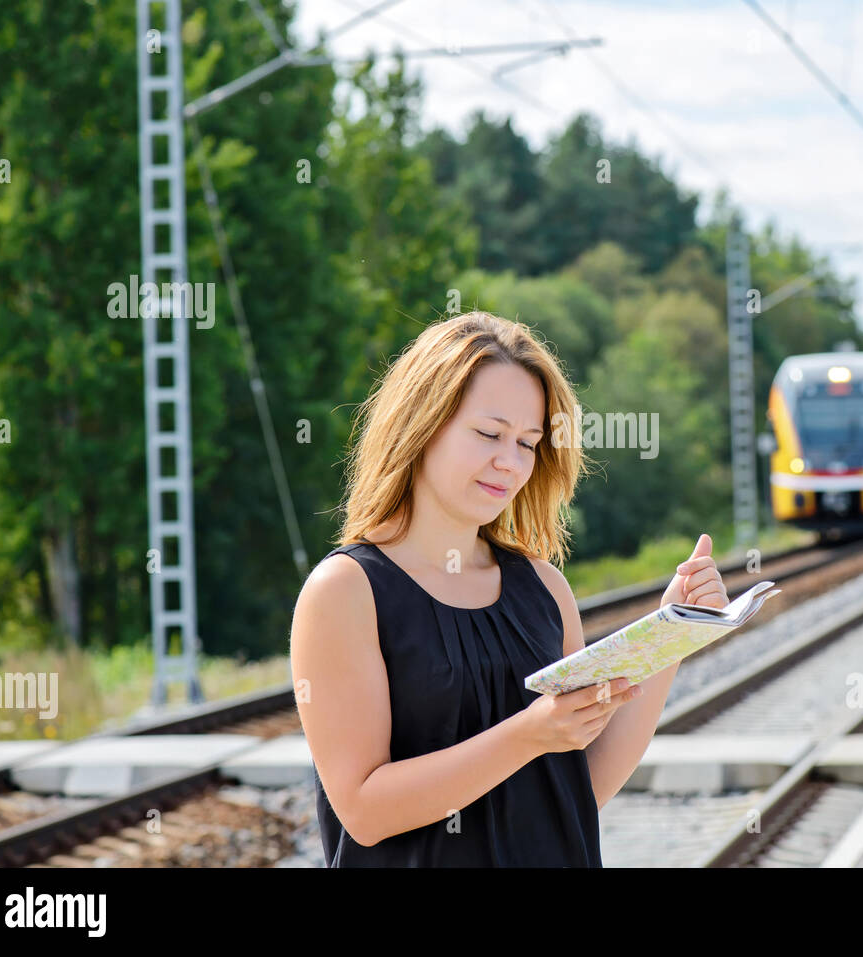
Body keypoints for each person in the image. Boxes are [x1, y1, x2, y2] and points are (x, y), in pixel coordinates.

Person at [289, 310, 728, 867]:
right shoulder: (346, 591)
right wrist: (530, 734)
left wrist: (672, 635)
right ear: (422, 424)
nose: (511, 462)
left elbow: (575, 791)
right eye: (490, 434)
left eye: (528, 442)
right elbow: (364, 811)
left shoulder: (543, 587)